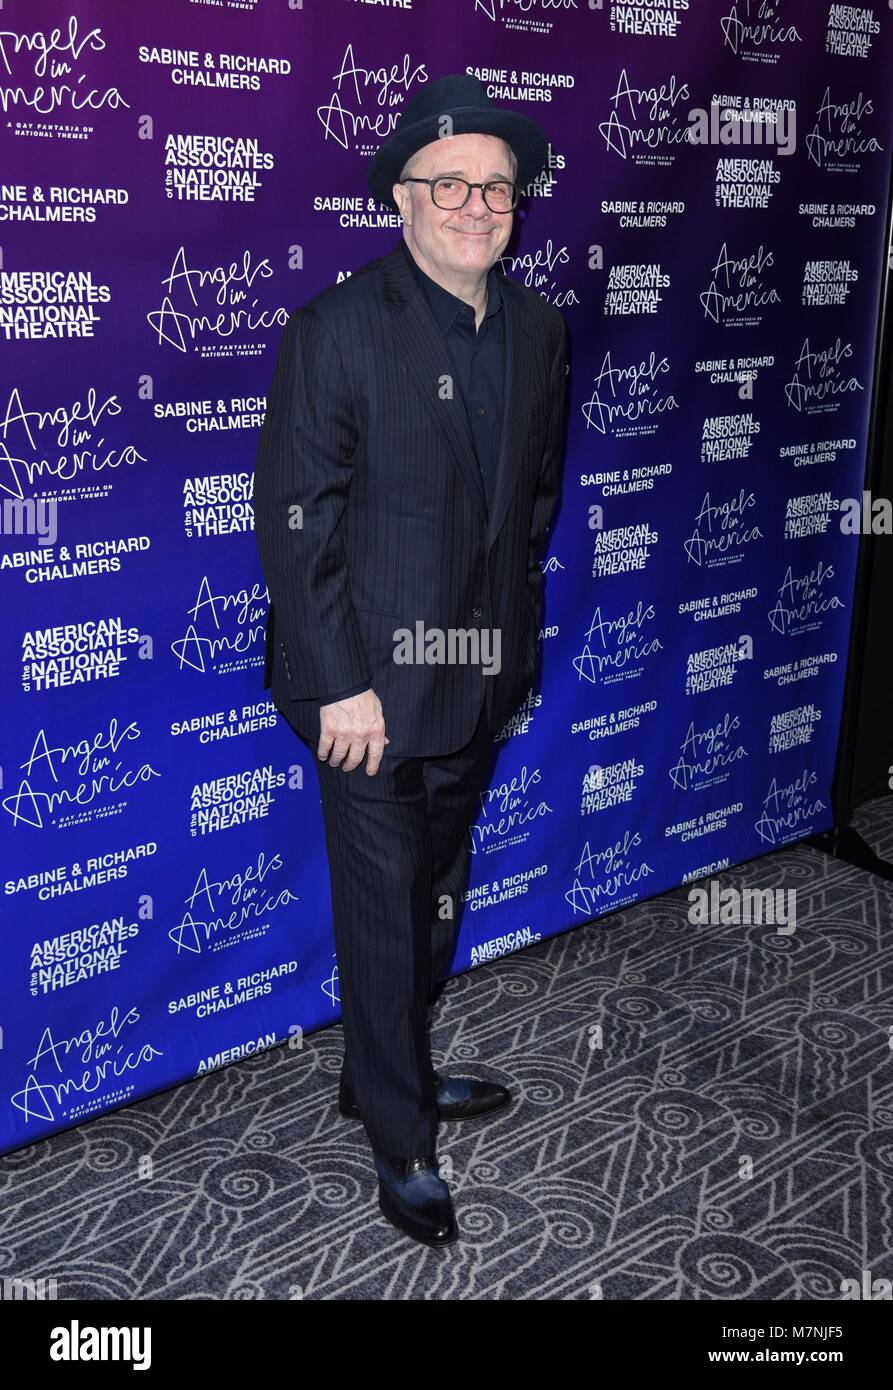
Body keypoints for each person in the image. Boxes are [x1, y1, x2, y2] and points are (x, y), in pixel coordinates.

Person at [253, 72, 569, 1247]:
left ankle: (383, 1068)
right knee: (387, 912)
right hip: (365, 695)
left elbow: (528, 507)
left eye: (495, 186)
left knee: (434, 899)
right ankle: (401, 1136)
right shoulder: (335, 329)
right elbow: (295, 521)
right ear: (402, 197)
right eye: (450, 183)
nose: (475, 204)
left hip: (475, 676)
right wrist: (340, 681)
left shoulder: (540, 330)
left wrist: (510, 649)